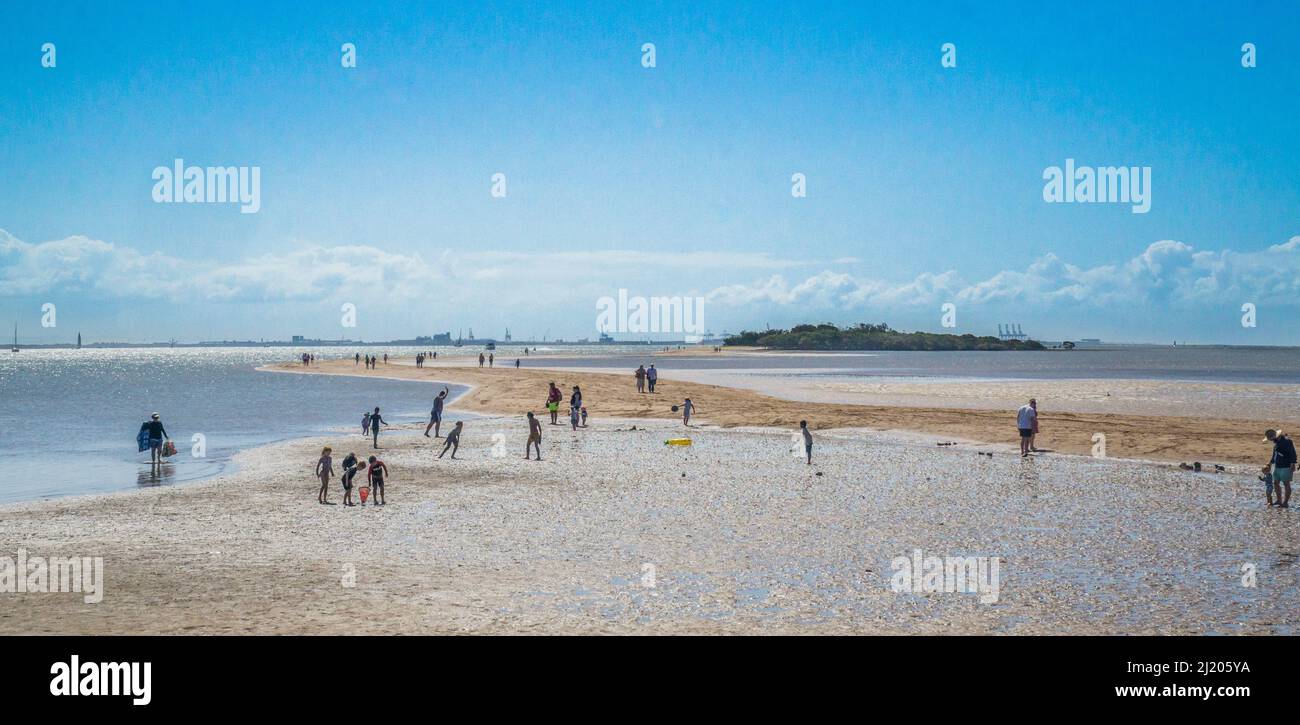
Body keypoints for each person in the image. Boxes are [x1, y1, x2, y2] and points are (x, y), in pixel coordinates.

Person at [1265, 429, 1296, 508]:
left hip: (1286, 466)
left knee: (1286, 484)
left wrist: (1293, 463)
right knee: (1276, 483)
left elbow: (1293, 453)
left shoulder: (1288, 441)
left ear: (1276, 436)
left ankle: (1285, 502)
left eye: (1271, 439)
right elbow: (1274, 456)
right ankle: (1279, 500)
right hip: (1277, 467)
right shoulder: (1276, 445)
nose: (1271, 440)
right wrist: (1270, 463)